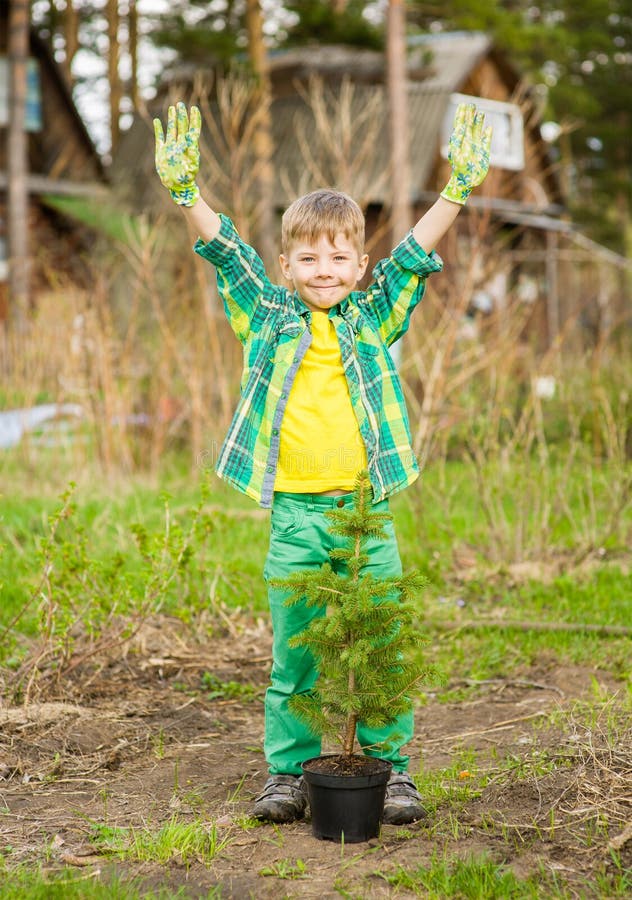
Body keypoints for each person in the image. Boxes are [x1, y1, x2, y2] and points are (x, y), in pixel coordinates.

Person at [154, 100, 492, 825]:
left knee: (381, 649)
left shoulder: (373, 318)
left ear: (357, 264)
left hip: (367, 516)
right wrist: (189, 197)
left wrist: (456, 190)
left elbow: (413, 259)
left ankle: (392, 770)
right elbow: (228, 254)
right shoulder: (267, 318)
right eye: (308, 257)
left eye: (340, 256)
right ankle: (287, 774)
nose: (324, 269)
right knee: (296, 657)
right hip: (297, 517)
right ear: (288, 264)